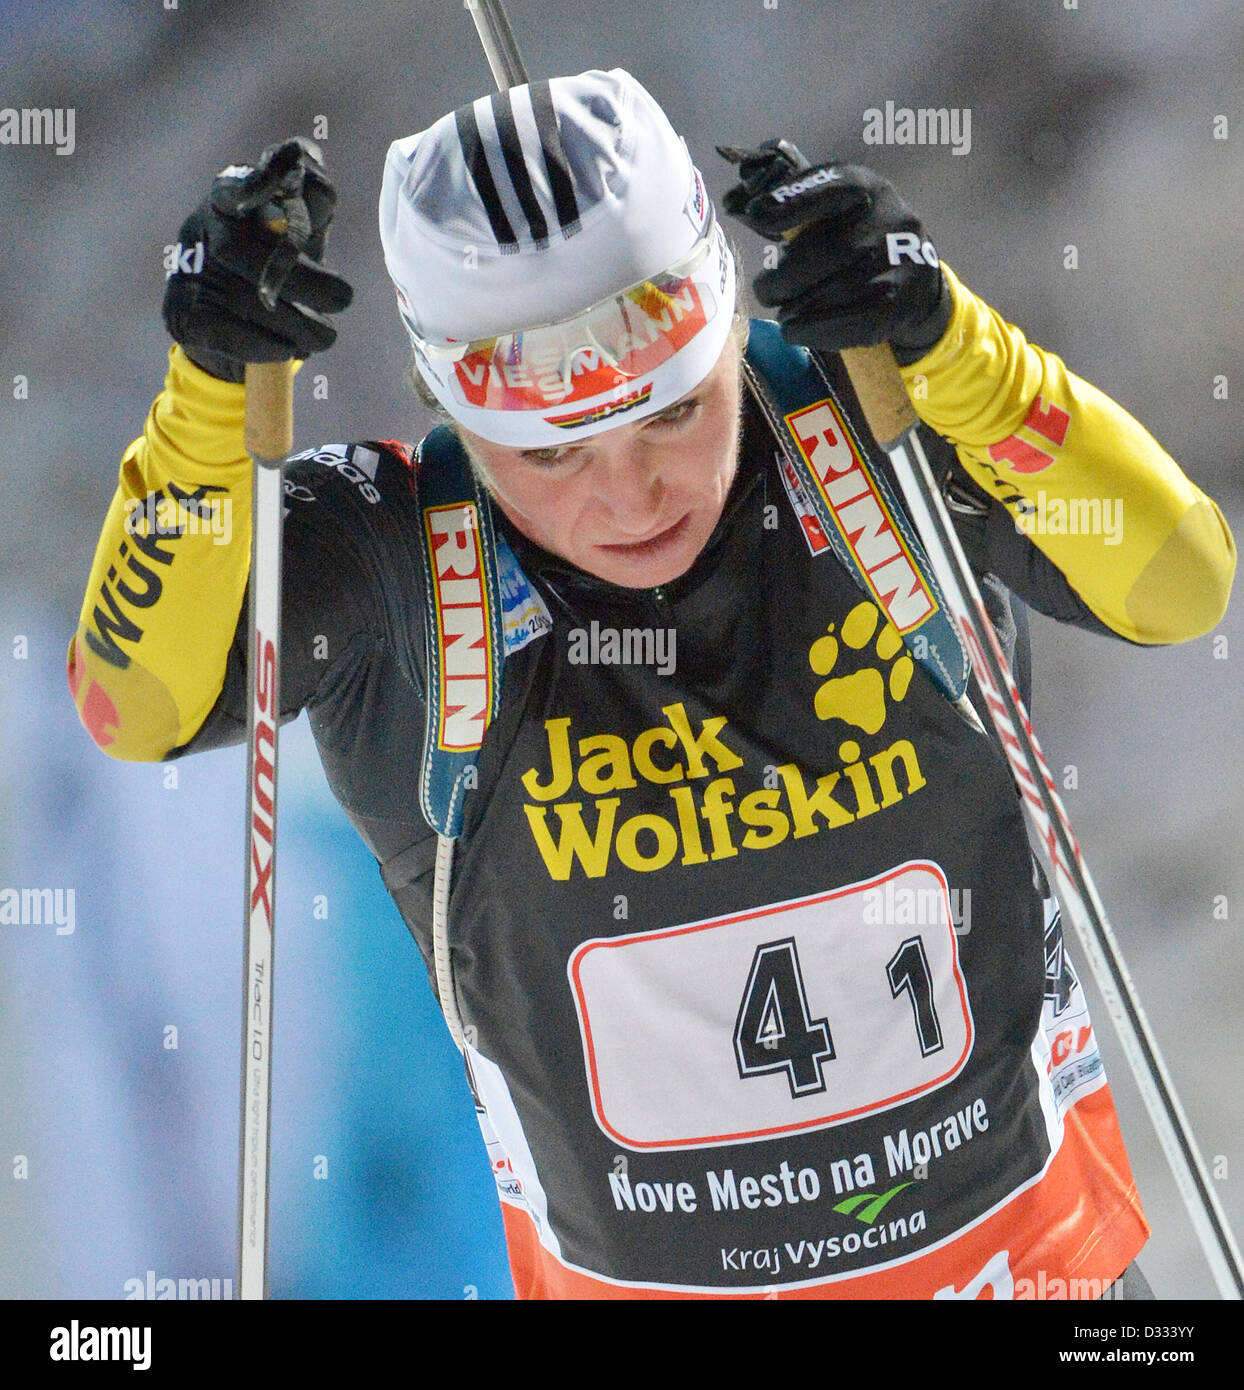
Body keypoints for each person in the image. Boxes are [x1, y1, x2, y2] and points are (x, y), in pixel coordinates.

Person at [69, 68, 1234, 1300]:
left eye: (673, 413)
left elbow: (1178, 583)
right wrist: (204, 409)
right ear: (447, 399)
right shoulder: (390, 558)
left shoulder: (876, 420)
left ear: (729, 321)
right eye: (554, 447)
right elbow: (129, 705)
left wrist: (960, 349)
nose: (630, 497)